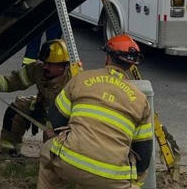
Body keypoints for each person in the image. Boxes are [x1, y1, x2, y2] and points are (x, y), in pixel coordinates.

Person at [38, 34, 153, 189]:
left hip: (70, 163)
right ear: (132, 65)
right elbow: (144, 154)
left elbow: (55, 120)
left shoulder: (81, 79)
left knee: (48, 150)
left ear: (108, 57)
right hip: (113, 177)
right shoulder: (141, 100)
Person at [0, 39, 71, 156]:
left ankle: (54, 162)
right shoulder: (38, 69)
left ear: (63, 66)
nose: (45, 67)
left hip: (64, 119)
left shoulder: (74, 80)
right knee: (15, 110)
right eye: (44, 63)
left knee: (51, 144)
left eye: (49, 64)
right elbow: (16, 80)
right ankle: (9, 153)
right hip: (43, 107)